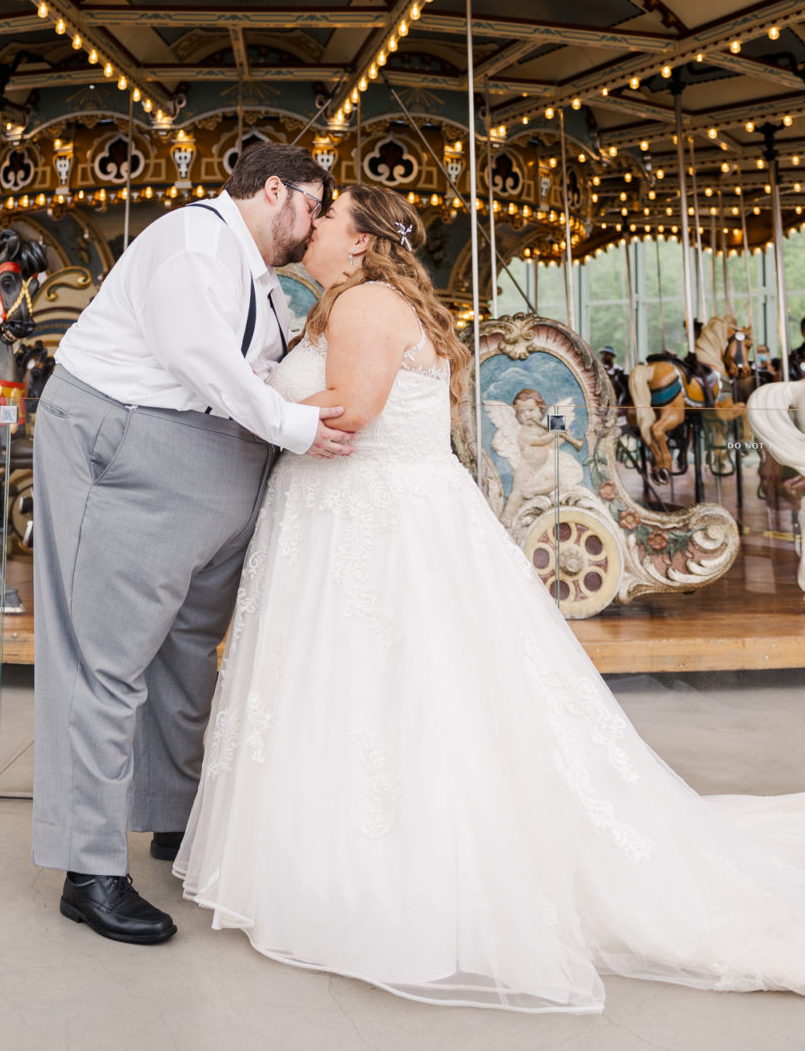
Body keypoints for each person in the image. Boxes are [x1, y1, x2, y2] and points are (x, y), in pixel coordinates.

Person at [176, 183, 805, 1011]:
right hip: (369, 513)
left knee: (372, 686)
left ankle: (375, 869)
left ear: (361, 242)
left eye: (328, 216)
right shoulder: (359, 301)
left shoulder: (364, 304)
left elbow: (353, 410)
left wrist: (228, 394)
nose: (314, 222)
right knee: (390, 690)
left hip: (368, 517)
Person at [32, 143, 354, 946]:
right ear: (274, 188)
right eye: (312, 205)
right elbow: (200, 359)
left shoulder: (253, 272)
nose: (312, 222)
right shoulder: (191, 241)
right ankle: (90, 868)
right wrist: (297, 428)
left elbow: (260, 365)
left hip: (213, 462)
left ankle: (171, 821)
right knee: (102, 655)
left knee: (186, 651)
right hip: (131, 440)